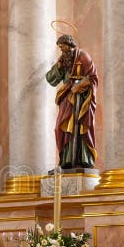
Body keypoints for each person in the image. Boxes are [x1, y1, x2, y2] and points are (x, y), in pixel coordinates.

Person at [45, 34, 98, 169]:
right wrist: (58, 67)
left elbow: (92, 78)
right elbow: (51, 80)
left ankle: (83, 158)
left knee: (79, 127)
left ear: (70, 46)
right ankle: (66, 159)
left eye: (63, 47)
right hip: (67, 98)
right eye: (60, 48)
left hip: (81, 100)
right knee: (60, 128)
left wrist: (80, 85)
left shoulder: (83, 57)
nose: (62, 50)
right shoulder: (64, 60)